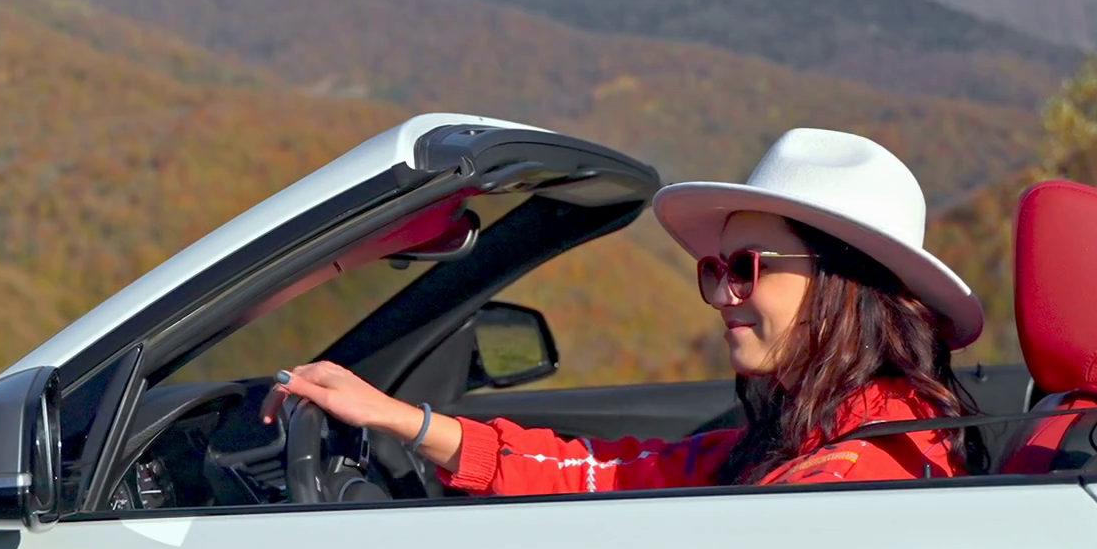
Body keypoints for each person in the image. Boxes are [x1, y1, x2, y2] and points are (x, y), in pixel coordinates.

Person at [261, 127, 990, 495]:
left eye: (746, 270)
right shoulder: (801, 440)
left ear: (845, 285)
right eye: (714, 270)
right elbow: (607, 473)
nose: (721, 295)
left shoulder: (845, 477)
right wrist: (405, 422)